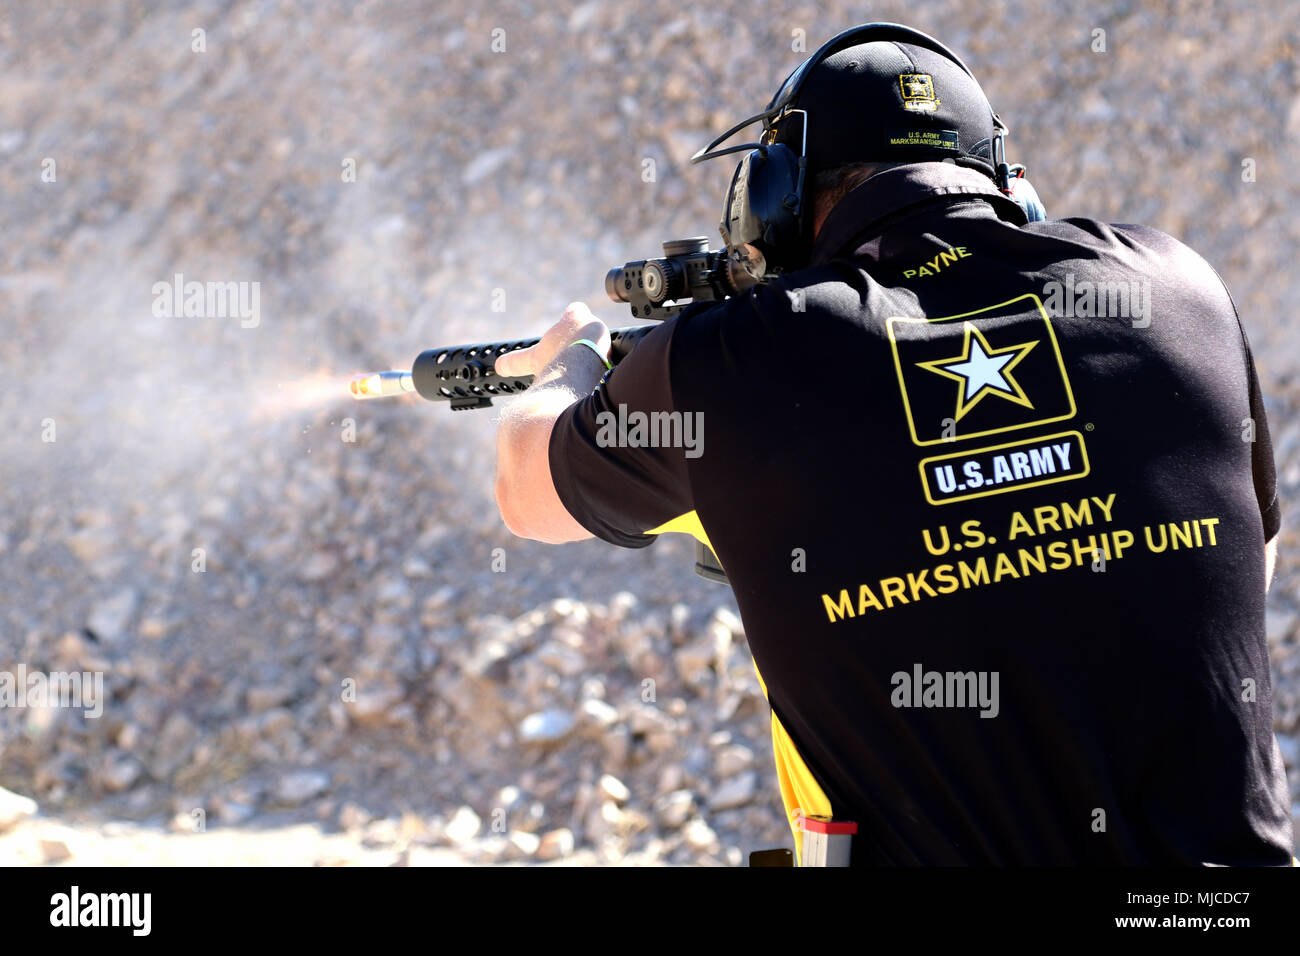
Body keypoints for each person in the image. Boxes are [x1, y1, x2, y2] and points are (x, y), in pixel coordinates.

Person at [493, 23, 1293, 865]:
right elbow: (1244, 567)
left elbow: (525, 488)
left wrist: (572, 361)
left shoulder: (732, 362)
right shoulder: (1181, 287)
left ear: (776, 202)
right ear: (1010, 186)